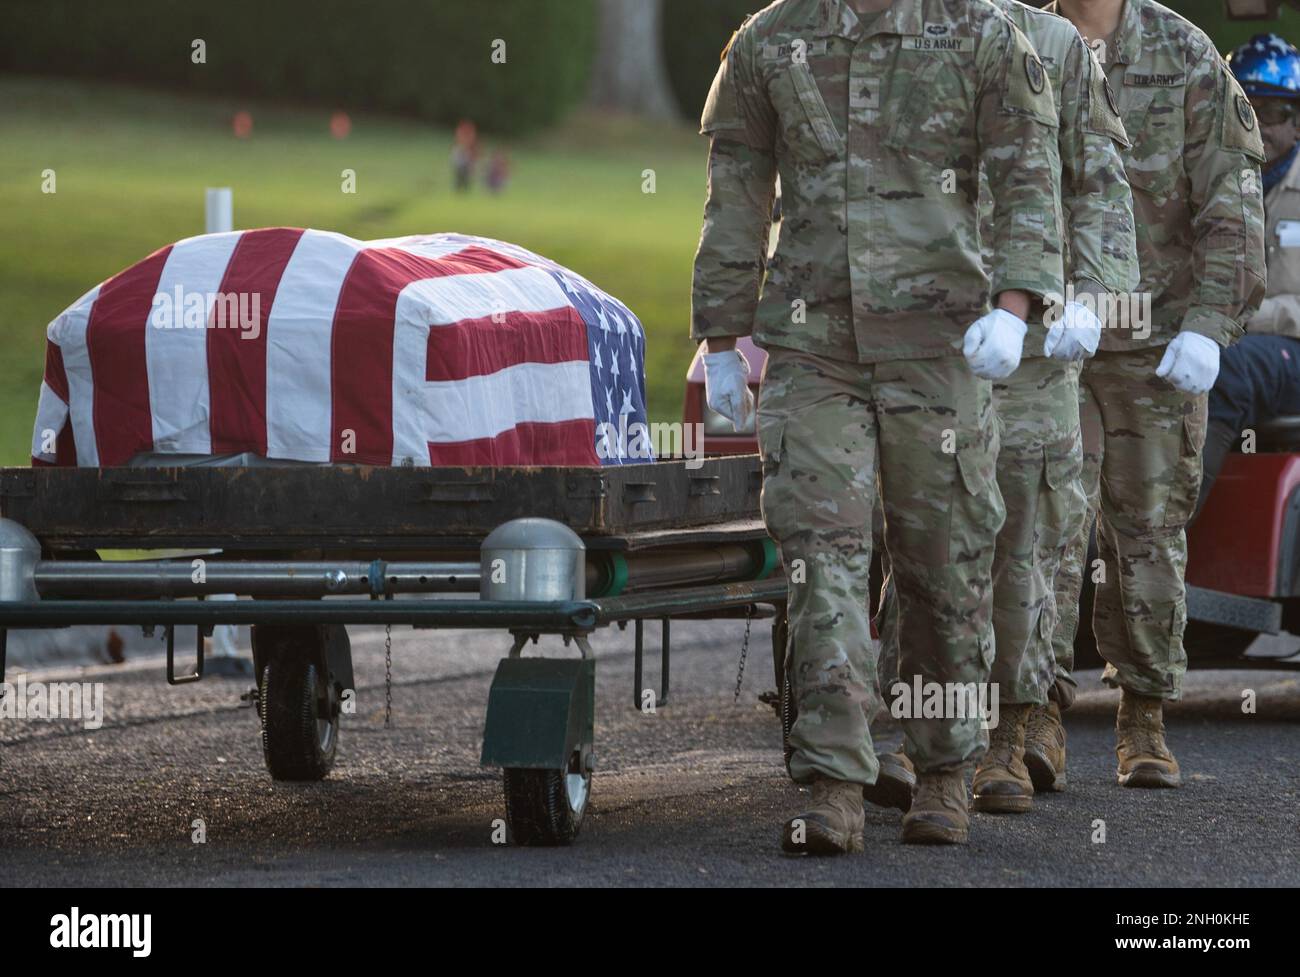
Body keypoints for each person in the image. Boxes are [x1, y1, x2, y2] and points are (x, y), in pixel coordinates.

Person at [692, 0, 1063, 852]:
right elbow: (735, 193)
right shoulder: (771, 41)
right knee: (823, 554)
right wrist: (719, 337)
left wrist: (1014, 307)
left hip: (941, 344)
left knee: (945, 560)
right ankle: (834, 780)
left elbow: (1027, 175)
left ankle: (941, 767)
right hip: (815, 345)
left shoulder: (977, 35)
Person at [872, 0, 1139, 815]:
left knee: (1026, 531)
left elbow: (1097, 181)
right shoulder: (901, 31)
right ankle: (921, 728)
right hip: (928, 322)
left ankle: (1010, 733)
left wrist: (1094, 295)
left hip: (1031, 340)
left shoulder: (1055, 47)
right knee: (927, 529)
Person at [1046, 0, 1266, 788]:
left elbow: (1232, 199)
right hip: (1049, 341)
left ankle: (1143, 714)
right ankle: (1033, 713)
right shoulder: (1022, 40)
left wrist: (1209, 324)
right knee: (1046, 523)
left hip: (1153, 339)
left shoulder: (1185, 53)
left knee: (1145, 535)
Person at [1197, 33, 1300, 520]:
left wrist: (1245, 319)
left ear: (1297, 122)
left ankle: (1160, 532)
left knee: (1224, 367)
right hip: (1220, 334)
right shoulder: (1204, 178)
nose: (1258, 122)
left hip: (1286, 349)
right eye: (1245, 105)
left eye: (1274, 111)